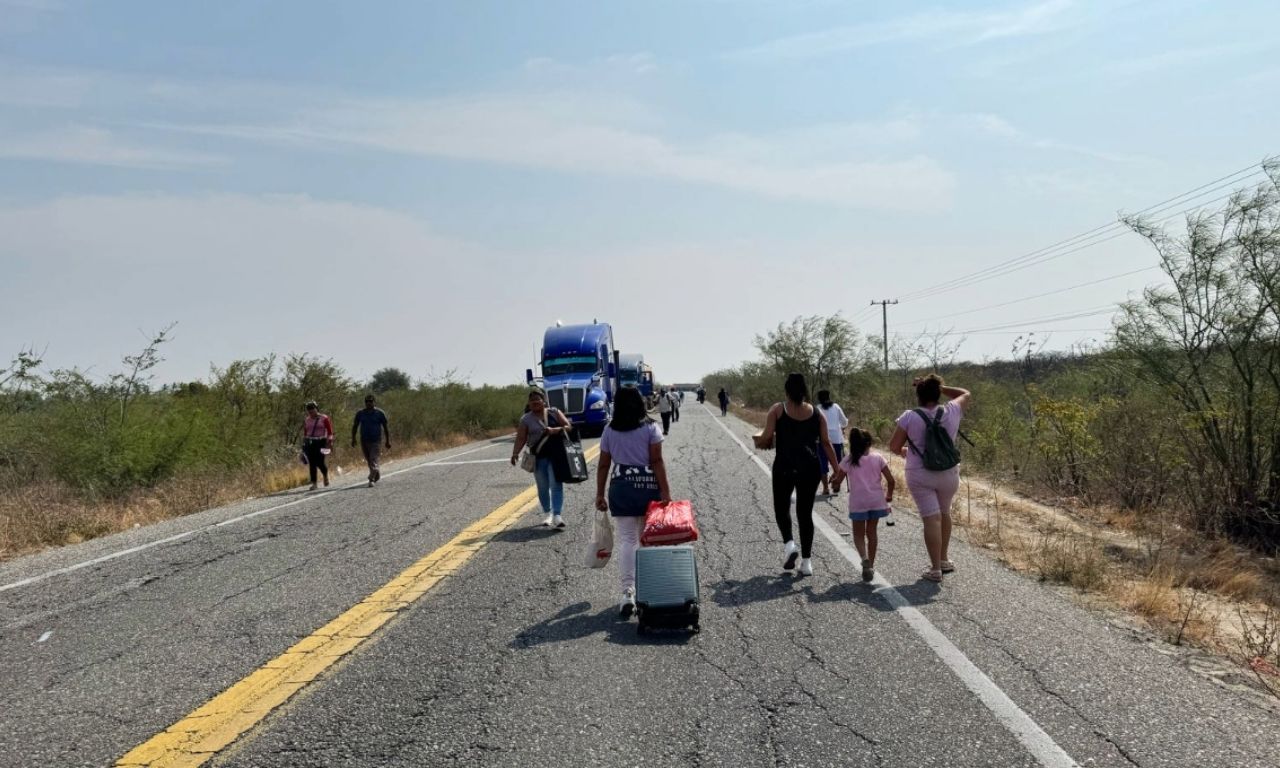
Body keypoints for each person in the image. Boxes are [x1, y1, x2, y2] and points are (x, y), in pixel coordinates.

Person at [755, 373, 842, 576]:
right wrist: (837, 470)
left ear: (786, 391)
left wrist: (762, 441)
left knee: (781, 507)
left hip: (784, 466)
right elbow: (826, 443)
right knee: (805, 513)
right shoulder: (816, 413)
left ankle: (789, 545)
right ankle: (806, 562)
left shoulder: (777, 410)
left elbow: (766, 436)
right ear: (805, 392)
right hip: (810, 467)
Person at [595, 386, 671, 618]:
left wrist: (600, 493)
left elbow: (604, 464)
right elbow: (657, 461)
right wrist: (666, 492)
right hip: (648, 489)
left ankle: (627, 592)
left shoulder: (609, 430)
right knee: (646, 540)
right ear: (640, 403)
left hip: (622, 489)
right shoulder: (650, 427)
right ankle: (647, 591)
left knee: (627, 540)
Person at [888, 374, 971, 583]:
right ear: (937, 393)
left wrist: (907, 452)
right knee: (944, 513)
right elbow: (965, 393)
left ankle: (935, 569)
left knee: (931, 519)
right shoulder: (952, 410)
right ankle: (944, 560)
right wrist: (939, 387)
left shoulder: (909, 416)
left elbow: (894, 447)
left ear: (919, 394)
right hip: (948, 473)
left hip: (919, 473)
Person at [833, 428, 894, 582]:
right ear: (870, 443)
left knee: (858, 534)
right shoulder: (878, 458)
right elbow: (891, 480)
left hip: (858, 502)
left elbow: (837, 483)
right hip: (876, 501)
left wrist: (834, 483)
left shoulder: (848, 459)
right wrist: (889, 495)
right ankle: (871, 566)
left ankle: (864, 558)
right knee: (872, 533)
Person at [511, 390, 574, 527]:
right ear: (529, 403)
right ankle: (548, 513)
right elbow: (521, 437)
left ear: (544, 401)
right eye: (532, 401)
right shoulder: (526, 419)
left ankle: (557, 515)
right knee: (543, 487)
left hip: (556, 456)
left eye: (537, 400)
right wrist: (515, 453)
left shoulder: (554, 412)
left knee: (556, 484)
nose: (535, 402)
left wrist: (555, 430)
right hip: (538, 457)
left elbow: (568, 427)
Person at [351, 394, 391, 487]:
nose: (369, 403)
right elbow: (355, 426)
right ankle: (376, 474)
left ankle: (371, 479)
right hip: (364, 440)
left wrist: (387, 441)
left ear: (374, 402)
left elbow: (385, 428)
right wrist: (353, 439)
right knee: (369, 460)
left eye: (371, 401)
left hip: (376, 440)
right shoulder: (360, 413)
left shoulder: (380, 413)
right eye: (367, 401)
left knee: (373, 459)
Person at [816, 390, 849, 495]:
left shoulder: (817, 408)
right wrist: (842, 427)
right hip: (836, 439)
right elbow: (844, 421)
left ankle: (825, 488)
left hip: (822, 439)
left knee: (822, 463)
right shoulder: (836, 407)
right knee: (838, 463)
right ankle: (836, 485)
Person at [300, 401, 333, 491]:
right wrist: (303, 445)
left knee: (320, 462)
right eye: (309, 410)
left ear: (316, 409)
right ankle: (314, 483)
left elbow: (330, 432)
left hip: (321, 442)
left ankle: (325, 475)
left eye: (312, 409)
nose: (311, 412)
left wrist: (329, 441)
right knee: (312, 463)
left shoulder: (324, 418)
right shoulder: (307, 420)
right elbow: (305, 433)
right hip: (310, 443)